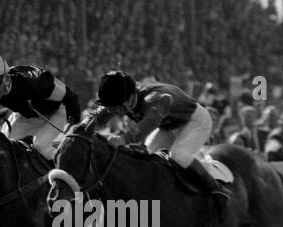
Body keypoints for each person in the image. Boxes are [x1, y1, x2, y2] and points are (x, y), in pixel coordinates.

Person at [95, 70, 229, 218]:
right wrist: (80, 128)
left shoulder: (156, 98)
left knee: (178, 156)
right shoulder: (124, 98)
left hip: (195, 121)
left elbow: (147, 125)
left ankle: (215, 188)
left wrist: (123, 139)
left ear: (128, 99)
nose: (113, 111)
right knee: (149, 156)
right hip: (168, 126)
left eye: (116, 106)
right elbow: (98, 116)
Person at [0, 54, 80, 162]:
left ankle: (70, 171)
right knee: (5, 146)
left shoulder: (35, 81)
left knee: (41, 146)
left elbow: (71, 98)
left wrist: (73, 130)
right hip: (28, 114)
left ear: (5, 77)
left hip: (59, 111)